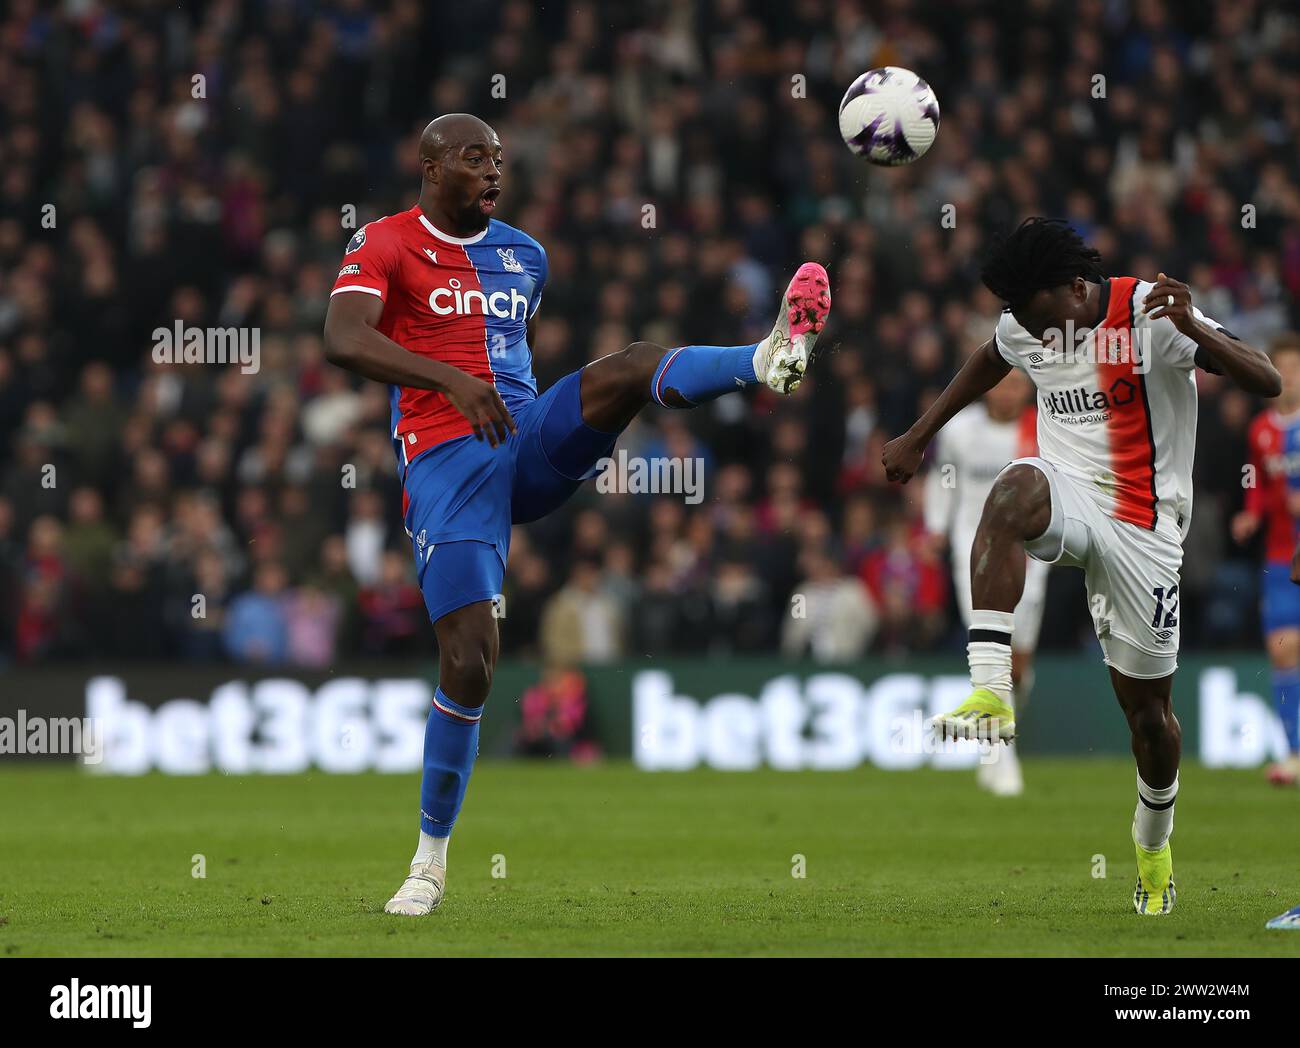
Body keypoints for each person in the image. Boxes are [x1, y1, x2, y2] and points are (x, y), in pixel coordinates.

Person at [322, 113, 832, 916]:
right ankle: (429, 863)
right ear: (428, 168)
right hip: (447, 461)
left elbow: (509, 357)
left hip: (523, 438)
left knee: (626, 367)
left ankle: (766, 359)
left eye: (498, 159)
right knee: (471, 661)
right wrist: (447, 382)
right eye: (472, 159)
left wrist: (490, 394)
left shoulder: (527, 256)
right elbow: (341, 338)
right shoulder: (383, 242)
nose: (492, 172)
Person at [882, 217, 1280, 916]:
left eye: (1039, 322)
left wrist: (1198, 328)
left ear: (1077, 287)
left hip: (1145, 528)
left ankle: (1153, 846)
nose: (1034, 338)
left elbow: (1268, 380)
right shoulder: (1028, 321)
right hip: (1064, 490)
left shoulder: (1152, 315)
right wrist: (919, 435)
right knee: (1009, 493)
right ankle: (989, 690)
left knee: (1149, 718)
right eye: (1022, 324)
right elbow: (989, 356)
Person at [923, 368, 1044, 796]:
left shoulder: (1042, 427)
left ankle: (997, 737)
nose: (1008, 391)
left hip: (1030, 553)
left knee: (1020, 663)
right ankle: (1002, 759)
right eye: (1001, 382)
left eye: (1016, 383)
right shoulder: (959, 430)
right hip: (971, 551)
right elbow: (942, 480)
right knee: (992, 649)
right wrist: (935, 526)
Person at [1237, 334, 1300, 785]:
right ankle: (1294, 753)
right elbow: (1254, 480)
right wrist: (1250, 513)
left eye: (1298, 369)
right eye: (1284, 369)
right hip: (1281, 558)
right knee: (1283, 651)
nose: (1291, 377)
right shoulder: (1260, 430)